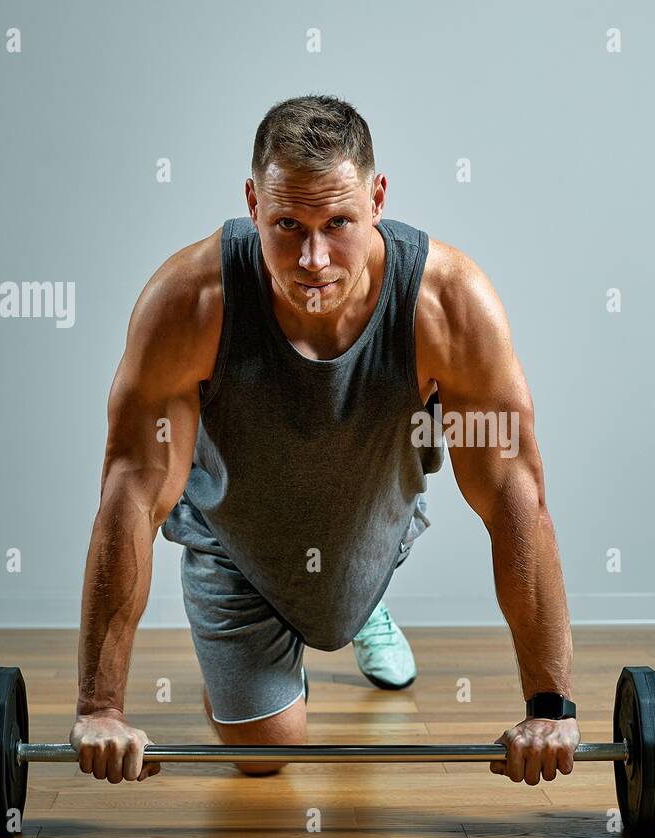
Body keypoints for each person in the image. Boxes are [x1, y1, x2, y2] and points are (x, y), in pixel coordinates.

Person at [71, 94, 577, 788]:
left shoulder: (448, 304)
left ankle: (363, 604)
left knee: (379, 551)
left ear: (377, 197)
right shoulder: (190, 304)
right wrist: (101, 706)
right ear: (252, 203)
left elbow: (514, 494)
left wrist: (550, 707)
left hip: (373, 521)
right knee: (265, 755)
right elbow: (131, 488)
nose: (313, 258)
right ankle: (268, 649)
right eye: (287, 225)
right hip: (237, 547)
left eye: (338, 222)